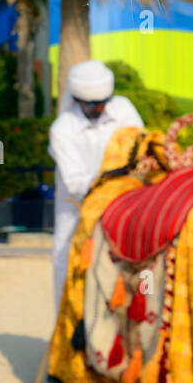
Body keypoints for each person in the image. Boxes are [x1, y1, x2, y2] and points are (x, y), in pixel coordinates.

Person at [48, 59, 143, 309]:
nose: (100, 108)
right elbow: (76, 183)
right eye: (92, 104)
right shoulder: (62, 129)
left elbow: (140, 150)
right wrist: (113, 178)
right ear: (78, 100)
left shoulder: (123, 110)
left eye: (103, 101)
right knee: (71, 274)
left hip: (122, 211)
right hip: (77, 216)